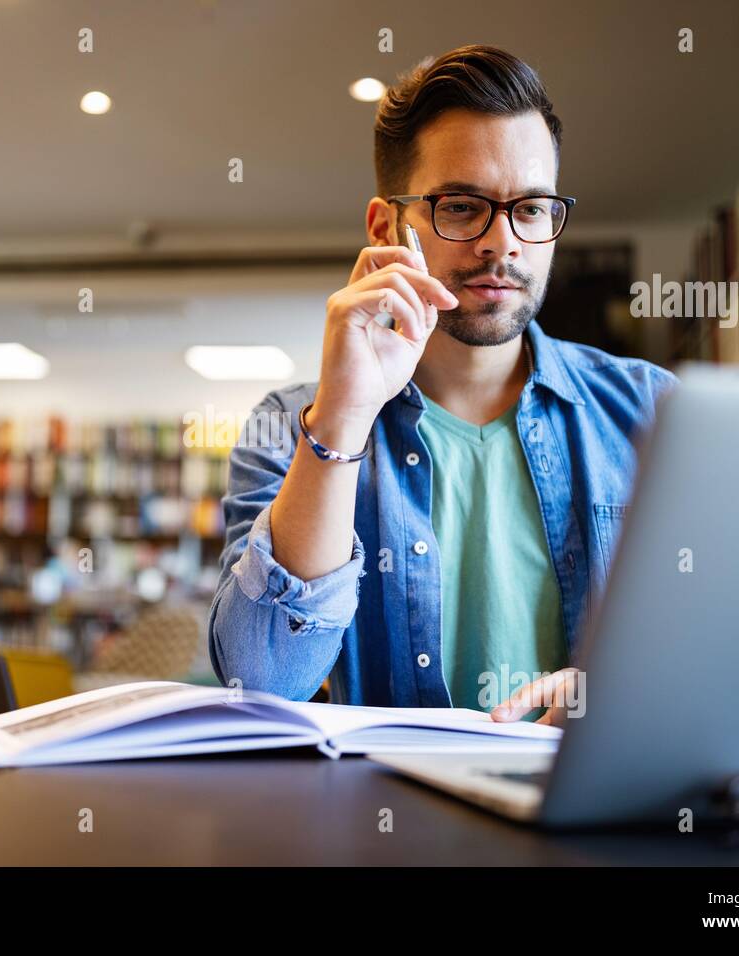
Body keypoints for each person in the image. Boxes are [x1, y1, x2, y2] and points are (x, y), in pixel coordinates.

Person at [207, 45, 677, 723]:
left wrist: (621, 694)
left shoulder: (650, 412)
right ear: (385, 227)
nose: (503, 244)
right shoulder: (287, 427)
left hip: (591, 821)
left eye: (532, 209)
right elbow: (262, 684)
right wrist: (342, 417)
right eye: (462, 206)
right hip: (384, 826)